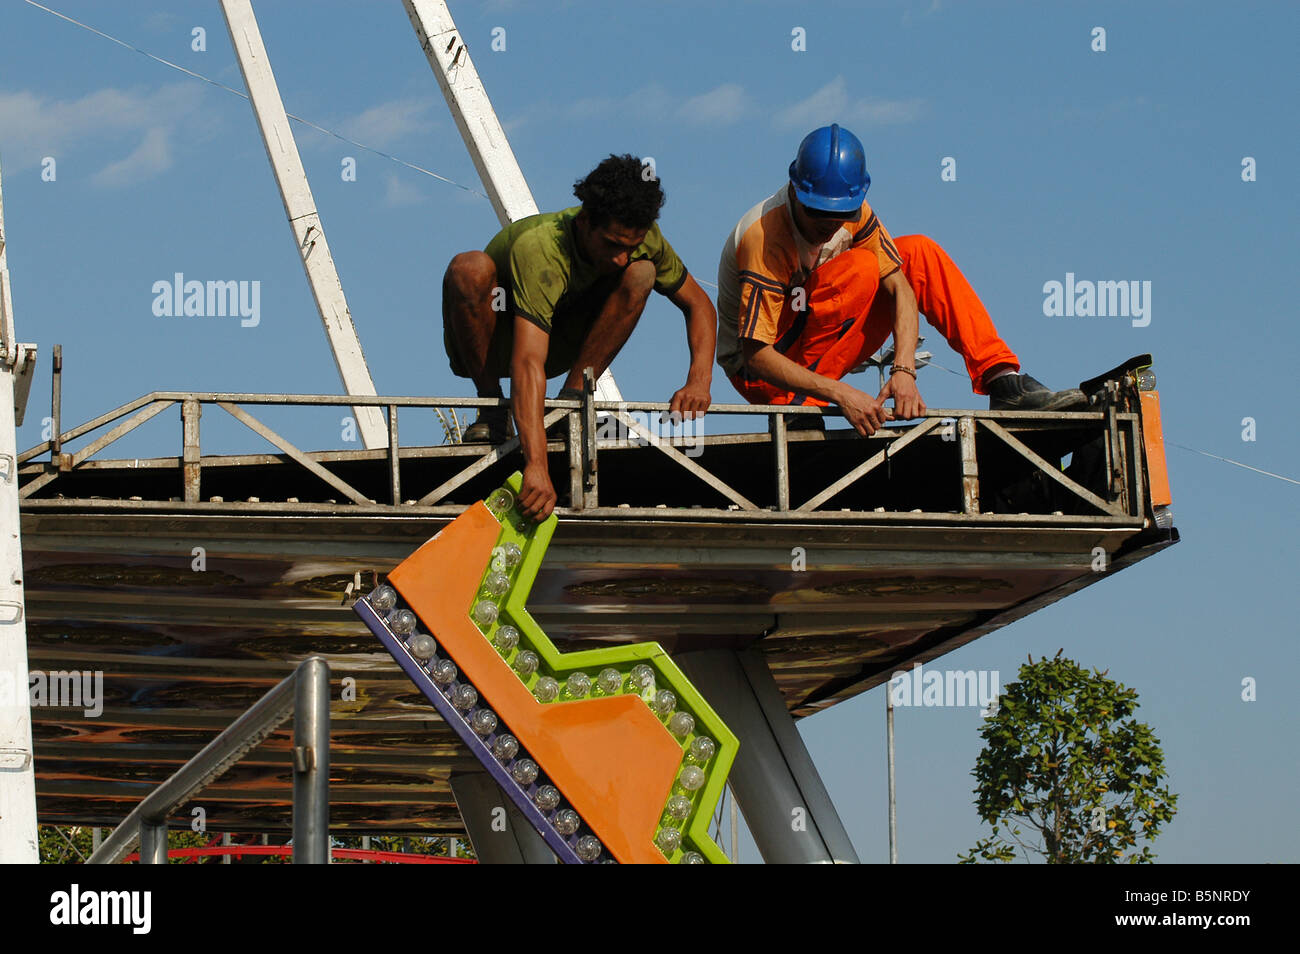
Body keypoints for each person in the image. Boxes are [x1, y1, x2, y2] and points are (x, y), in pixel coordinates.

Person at [716, 124, 1085, 435]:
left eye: (840, 215)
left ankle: (1002, 380)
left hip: (814, 340)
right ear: (796, 190)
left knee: (918, 254)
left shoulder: (854, 212)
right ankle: (800, 406)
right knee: (860, 269)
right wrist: (842, 394)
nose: (830, 227)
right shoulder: (765, 239)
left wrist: (904, 369)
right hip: (762, 372)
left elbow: (902, 289)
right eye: (819, 215)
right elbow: (757, 355)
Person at [443, 154, 716, 521]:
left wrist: (698, 380)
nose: (621, 257)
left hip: (564, 340)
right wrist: (536, 465)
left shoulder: (643, 238)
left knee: (642, 274)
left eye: (630, 246)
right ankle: (492, 409)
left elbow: (700, 306)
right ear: (585, 221)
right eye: (612, 244)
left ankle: (568, 405)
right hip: (497, 343)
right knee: (469, 268)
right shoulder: (541, 249)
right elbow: (527, 362)